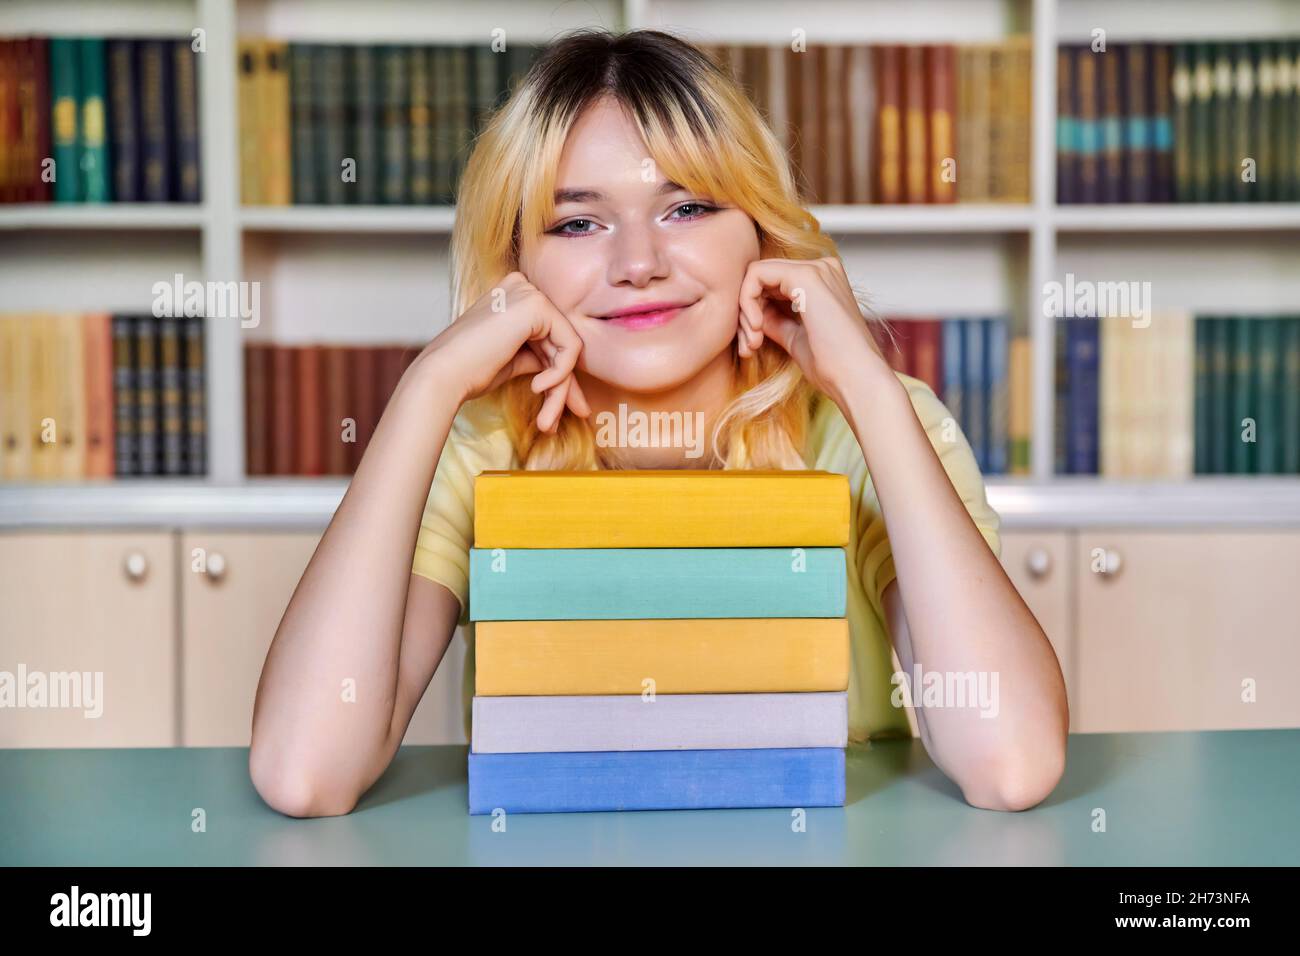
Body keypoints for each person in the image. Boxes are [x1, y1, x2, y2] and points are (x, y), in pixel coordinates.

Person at [249, 29, 1068, 818]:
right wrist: (426, 389)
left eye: (687, 208)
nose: (638, 263)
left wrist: (869, 386)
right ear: (516, 266)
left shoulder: (859, 431)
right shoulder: (485, 446)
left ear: (760, 232)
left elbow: (1013, 763)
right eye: (578, 223)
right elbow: (305, 772)